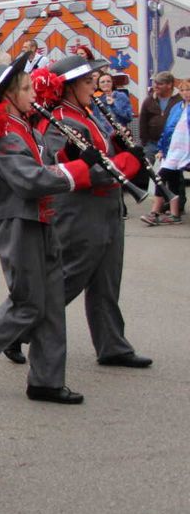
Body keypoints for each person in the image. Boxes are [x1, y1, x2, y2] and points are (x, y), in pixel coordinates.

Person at [0, 56, 111, 404]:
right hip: (20, 223)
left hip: (42, 220)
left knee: (52, 302)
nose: (32, 93)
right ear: (9, 95)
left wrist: (71, 159)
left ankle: (46, 380)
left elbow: (45, 165)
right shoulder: (8, 131)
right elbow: (29, 180)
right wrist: (77, 171)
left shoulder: (23, 124)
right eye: (25, 89)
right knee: (27, 303)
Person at [33, 57, 151, 369]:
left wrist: (117, 145)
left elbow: (101, 153)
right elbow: (83, 171)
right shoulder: (61, 120)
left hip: (107, 208)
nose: (94, 85)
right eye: (87, 81)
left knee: (106, 281)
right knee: (68, 280)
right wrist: (130, 163)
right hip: (81, 211)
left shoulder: (83, 113)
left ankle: (112, 345)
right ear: (69, 87)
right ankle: (14, 332)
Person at [141, 79, 190, 225]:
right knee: (170, 179)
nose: (185, 93)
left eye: (188, 90)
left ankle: (154, 212)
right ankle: (174, 215)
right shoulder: (177, 107)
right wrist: (162, 149)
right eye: (182, 90)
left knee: (161, 177)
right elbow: (168, 130)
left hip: (186, 150)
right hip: (173, 150)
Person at [139, 71, 177, 163]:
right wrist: (145, 142)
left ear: (169, 85)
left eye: (160, 84)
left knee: (171, 172)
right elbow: (143, 122)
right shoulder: (149, 100)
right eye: (155, 83)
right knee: (146, 167)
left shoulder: (179, 100)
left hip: (172, 144)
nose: (155, 86)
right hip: (151, 143)